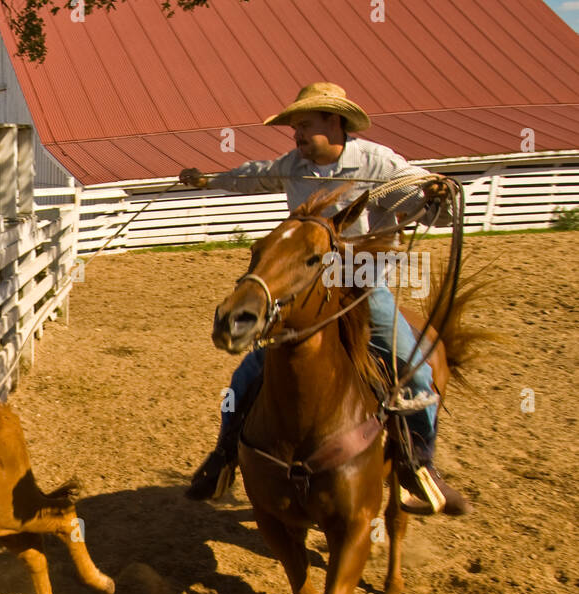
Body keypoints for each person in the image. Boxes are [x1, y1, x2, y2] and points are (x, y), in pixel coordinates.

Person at [179, 81, 468, 515]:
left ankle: (419, 466)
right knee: (244, 378)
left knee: (417, 373)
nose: (296, 135)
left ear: (335, 122)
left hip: (361, 288)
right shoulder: (292, 165)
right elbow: (252, 176)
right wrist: (208, 180)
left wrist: (436, 196)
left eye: (305, 125)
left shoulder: (379, 163)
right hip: (306, 291)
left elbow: (421, 198)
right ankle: (223, 458)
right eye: (294, 127)